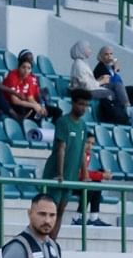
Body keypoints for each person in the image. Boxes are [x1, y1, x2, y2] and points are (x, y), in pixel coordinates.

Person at [43, 90, 103, 224]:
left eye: (86, 105)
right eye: (81, 104)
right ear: (73, 103)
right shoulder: (63, 122)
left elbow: (82, 151)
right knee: (50, 212)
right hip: (56, 174)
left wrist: (86, 174)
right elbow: (61, 148)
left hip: (71, 175)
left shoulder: (83, 125)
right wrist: (59, 173)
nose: (83, 108)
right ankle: (42, 243)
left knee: (60, 212)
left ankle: (51, 244)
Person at [0, 50, 53, 126]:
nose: (26, 70)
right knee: (29, 109)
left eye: (29, 67)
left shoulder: (31, 77)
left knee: (57, 111)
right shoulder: (12, 76)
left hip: (29, 102)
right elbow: (16, 101)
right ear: (19, 65)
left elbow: (31, 97)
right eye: (24, 67)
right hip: (12, 103)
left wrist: (40, 106)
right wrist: (35, 105)